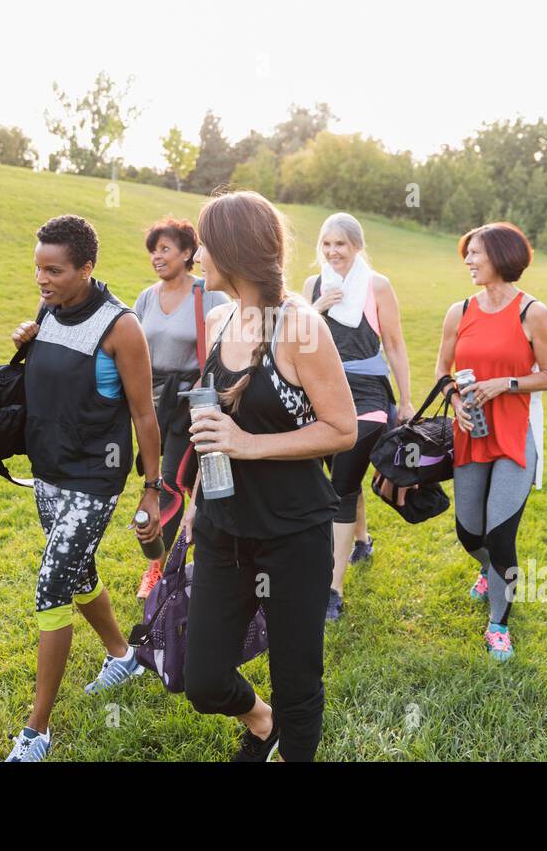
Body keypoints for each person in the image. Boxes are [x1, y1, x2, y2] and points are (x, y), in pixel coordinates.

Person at [181, 190, 356, 762]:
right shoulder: (218, 316)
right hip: (221, 530)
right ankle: (262, 723)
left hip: (292, 534)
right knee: (203, 678)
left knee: (297, 682)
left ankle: (289, 739)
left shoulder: (300, 327)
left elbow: (342, 429)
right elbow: (213, 428)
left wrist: (250, 445)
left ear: (231, 251)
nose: (195, 254)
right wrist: (191, 505)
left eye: (204, 242)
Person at [4, 215, 162, 761]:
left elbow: (144, 414)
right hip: (48, 472)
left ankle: (37, 731)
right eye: (38, 269)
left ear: (87, 268)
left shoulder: (121, 328)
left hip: (96, 478)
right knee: (78, 572)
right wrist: (29, 338)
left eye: (55, 270)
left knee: (51, 584)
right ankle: (122, 654)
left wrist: (152, 488)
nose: (42, 280)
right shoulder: (50, 311)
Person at [433, 222, 547, 662]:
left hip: (513, 435)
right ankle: (490, 571)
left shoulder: (533, 313)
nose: (468, 261)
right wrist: (456, 400)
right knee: (469, 533)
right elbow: (442, 372)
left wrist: (502, 384)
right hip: (470, 434)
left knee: (500, 534)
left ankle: (498, 624)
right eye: (466, 254)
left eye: (476, 254)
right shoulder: (460, 311)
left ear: (502, 257)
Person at [302, 213, 413, 622]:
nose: (333, 252)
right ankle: (362, 540)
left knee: (342, 485)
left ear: (357, 247)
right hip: (321, 393)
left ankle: (333, 589)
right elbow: (298, 339)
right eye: (327, 244)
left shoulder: (377, 286)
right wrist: (316, 307)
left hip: (367, 396)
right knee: (339, 474)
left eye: (341, 245)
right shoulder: (313, 285)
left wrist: (406, 400)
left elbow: (396, 346)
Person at [131, 219, 229, 598]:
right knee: (157, 481)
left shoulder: (209, 295)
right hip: (151, 403)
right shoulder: (145, 297)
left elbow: (227, 348)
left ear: (188, 253)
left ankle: (158, 569)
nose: (157, 256)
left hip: (193, 403)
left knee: (171, 482)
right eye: (153, 250)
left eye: (165, 249)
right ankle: (175, 561)